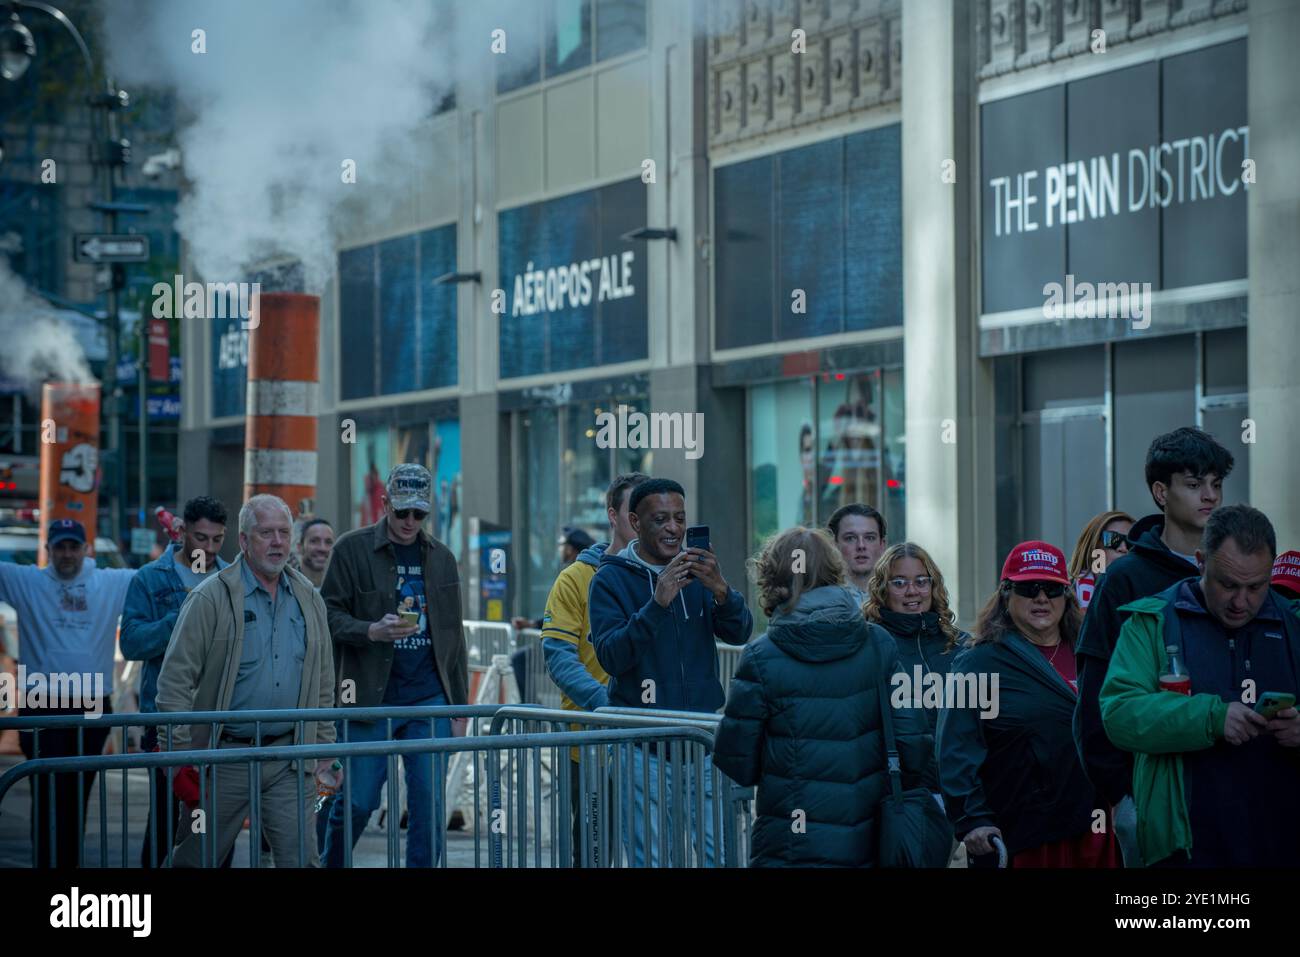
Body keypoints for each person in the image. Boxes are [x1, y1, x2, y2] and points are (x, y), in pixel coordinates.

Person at [714, 527, 935, 867]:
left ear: (771, 578)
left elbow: (736, 761)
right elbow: (913, 742)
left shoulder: (762, 656)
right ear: (835, 570)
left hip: (789, 839)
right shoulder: (878, 643)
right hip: (869, 833)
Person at [1100, 505, 1300, 867]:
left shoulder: (1293, 624)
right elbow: (1119, 712)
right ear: (1200, 562)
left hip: (1281, 843)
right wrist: (1210, 718)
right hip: (1184, 849)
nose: (1241, 602)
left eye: (1256, 586)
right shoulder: (1153, 621)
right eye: (1228, 585)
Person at [1073, 426, 1233, 866]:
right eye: (1194, 483)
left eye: (1216, 484)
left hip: (1228, 787)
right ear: (1161, 493)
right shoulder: (1125, 580)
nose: (1209, 496)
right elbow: (1094, 698)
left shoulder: (1232, 575)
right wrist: (1123, 795)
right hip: (1149, 792)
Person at [156, 494, 339, 868]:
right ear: (243, 540)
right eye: (266, 533)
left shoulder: (308, 597)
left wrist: (324, 752)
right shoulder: (210, 597)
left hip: (290, 759)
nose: (277, 542)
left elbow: (323, 681)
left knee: (302, 862)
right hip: (224, 759)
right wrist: (178, 759)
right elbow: (174, 681)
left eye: (284, 533)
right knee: (194, 861)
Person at [590, 477, 753, 866]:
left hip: (702, 741)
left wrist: (721, 590)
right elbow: (611, 657)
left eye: (679, 518)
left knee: (723, 854)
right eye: (660, 519)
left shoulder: (699, 572)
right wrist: (657, 603)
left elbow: (740, 630)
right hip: (641, 746)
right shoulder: (609, 579)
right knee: (655, 858)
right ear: (635, 521)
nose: (674, 529)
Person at [321, 464, 468, 868]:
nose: (408, 522)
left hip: (429, 696)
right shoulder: (351, 550)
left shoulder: (442, 558)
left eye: (418, 514)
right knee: (357, 802)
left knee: (429, 805)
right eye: (401, 512)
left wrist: (460, 707)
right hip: (369, 696)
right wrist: (370, 630)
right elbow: (326, 615)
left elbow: (454, 636)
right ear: (384, 504)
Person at [939, 541, 1119, 868]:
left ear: (1066, 595)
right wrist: (972, 818)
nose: (1041, 598)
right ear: (1006, 594)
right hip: (1023, 836)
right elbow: (955, 749)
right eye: (1028, 587)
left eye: (1051, 588)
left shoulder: (1092, 653)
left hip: (1096, 831)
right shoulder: (979, 663)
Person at [0, 518, 135, 867]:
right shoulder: (27, 580)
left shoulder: (107, 581)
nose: (66, 554)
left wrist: (180, 545)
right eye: (59, 546)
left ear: (85, 549)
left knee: (78, 795)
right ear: (47, 550)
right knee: (45, 796)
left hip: (90, 703)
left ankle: (69, 868)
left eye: (73, 546)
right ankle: (45, 863)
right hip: (40, 702)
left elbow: (155, 577)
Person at [541, 472, 647, 866]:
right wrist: (609, 705)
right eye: (633, 511)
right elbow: (558, 655)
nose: (643, 521)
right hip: (594, 744)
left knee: (651, 849)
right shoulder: (576, 578)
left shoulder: (669, 576)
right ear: (613, 516)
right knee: (595, 851)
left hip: (657, 745)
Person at [120, 495, 231, 868]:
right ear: (182, 531)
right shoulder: (151, 577)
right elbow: (132, 642)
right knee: (167, 821)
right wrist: (182, 619)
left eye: (218, 540)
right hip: (166, 716)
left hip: (220, 716)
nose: (210, 548)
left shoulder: (231, 577)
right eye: (202, 538)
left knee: (219, 824)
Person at [863, 542, 968, 797]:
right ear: (882, 589)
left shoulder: (963, 646)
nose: (912, 591)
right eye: (899, 582)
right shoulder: (869, 647)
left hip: (961, 794)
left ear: (933, 586)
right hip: (896, 796)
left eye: (921, 581)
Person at [1067, 510, 1134, 610]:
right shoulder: (1063, 598)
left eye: (1131, 541)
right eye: (1113, 539)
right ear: (1093, 547)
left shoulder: (1150, 594)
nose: (1123, 548)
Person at [827, 503, 887, 603]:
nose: (861, 546)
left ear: (882, 545)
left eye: (870, 538)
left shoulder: (899, 596)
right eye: (850, 538)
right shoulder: (821, 598)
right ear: (834, 545)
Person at [292, 517, 335, 590]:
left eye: (328, 542)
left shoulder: (343, 589)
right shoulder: (287, 587)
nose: (322, 548)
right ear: (300, 547)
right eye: (314, 541)